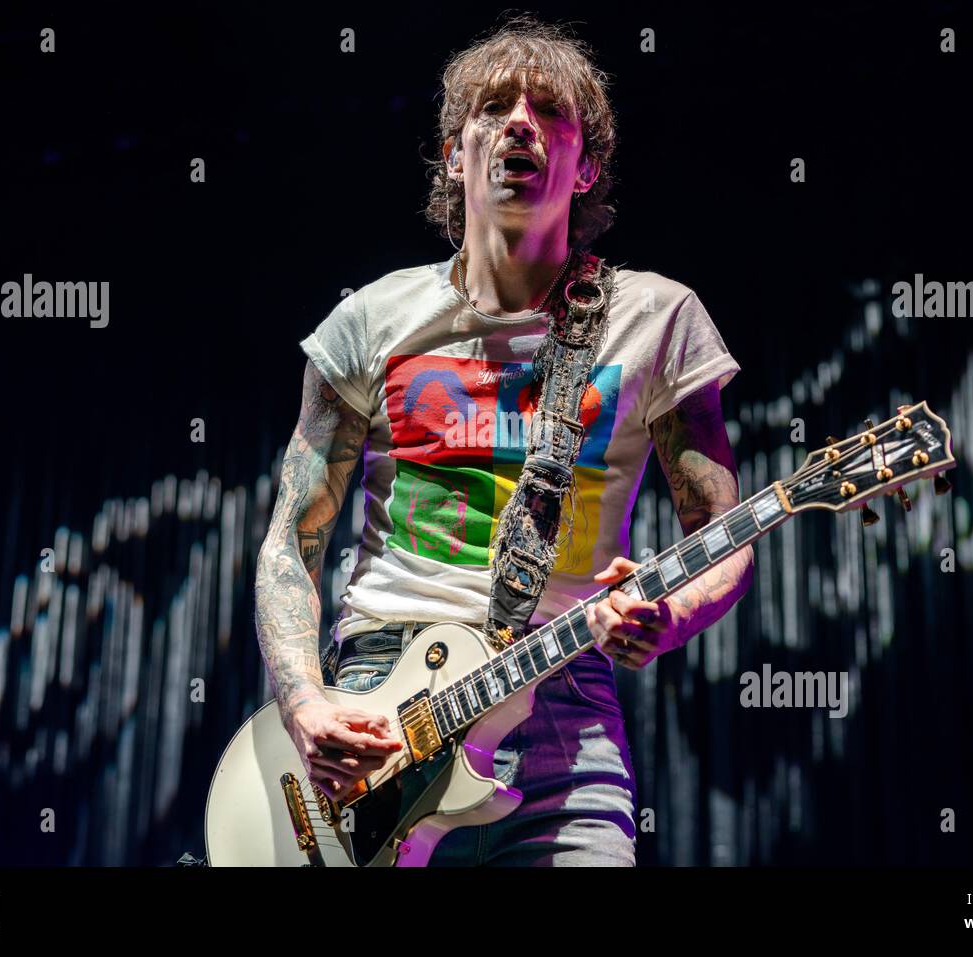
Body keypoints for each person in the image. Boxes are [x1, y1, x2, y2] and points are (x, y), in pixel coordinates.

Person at [254, 16, 753, 866]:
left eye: (548, 111)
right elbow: (290, 544)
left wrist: (673, 613)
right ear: (455, 154)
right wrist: (304, 701)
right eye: (492, 108)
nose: (519, 121)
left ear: (585, 166)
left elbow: (722, 532)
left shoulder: (657, 318)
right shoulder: (371, 320)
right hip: (379, 690)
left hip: (565, 692)